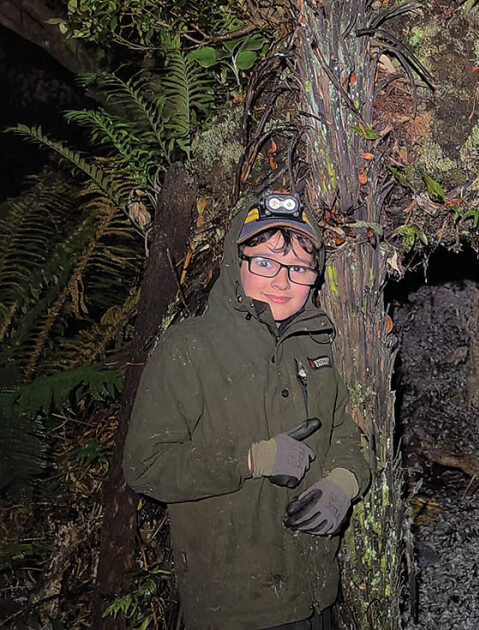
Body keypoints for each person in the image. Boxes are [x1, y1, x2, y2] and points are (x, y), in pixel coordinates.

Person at [124, 192, 371, 630]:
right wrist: (250, 460)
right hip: (233, 608)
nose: (282, 281)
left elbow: (342, 435)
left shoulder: (314, 347)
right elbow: (145, 466)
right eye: (265, 262)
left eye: (298, 268)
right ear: (235, 263)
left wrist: (342, 483)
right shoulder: (190, 348)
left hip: (315, 598)